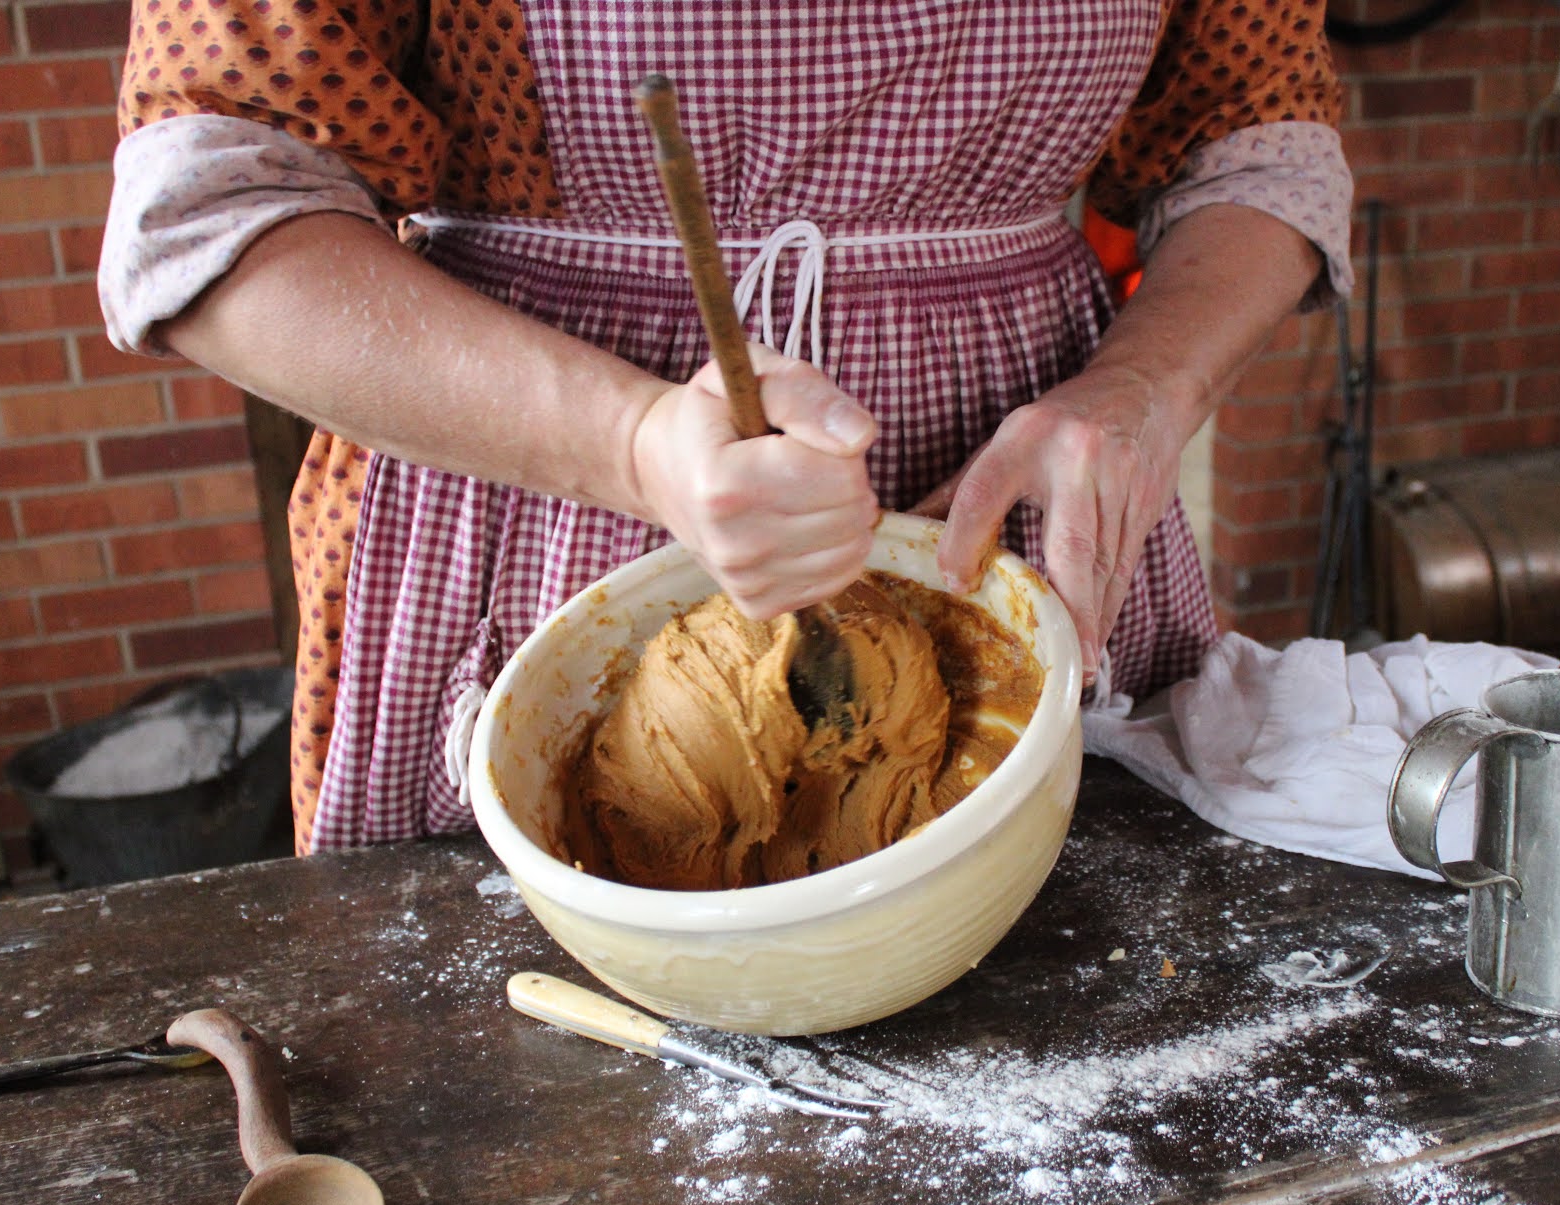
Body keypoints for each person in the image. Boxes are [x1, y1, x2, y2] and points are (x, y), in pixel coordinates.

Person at [100, 0, 1354, 854]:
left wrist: (1146, 385)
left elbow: (1255, 139)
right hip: (542, 484)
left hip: (1027, 493)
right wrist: (638, 440)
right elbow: (216, 216)